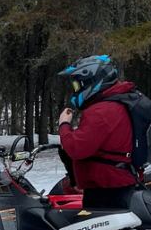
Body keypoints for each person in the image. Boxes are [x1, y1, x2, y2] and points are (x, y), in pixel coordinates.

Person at [57, 55, 137, 210]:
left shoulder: (102, 111)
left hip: (107, 189)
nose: (76, 90)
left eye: (77, 85)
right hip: (116, 183)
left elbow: (76, 148)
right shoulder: (116, 103)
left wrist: (64, 124)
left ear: (90, 81)